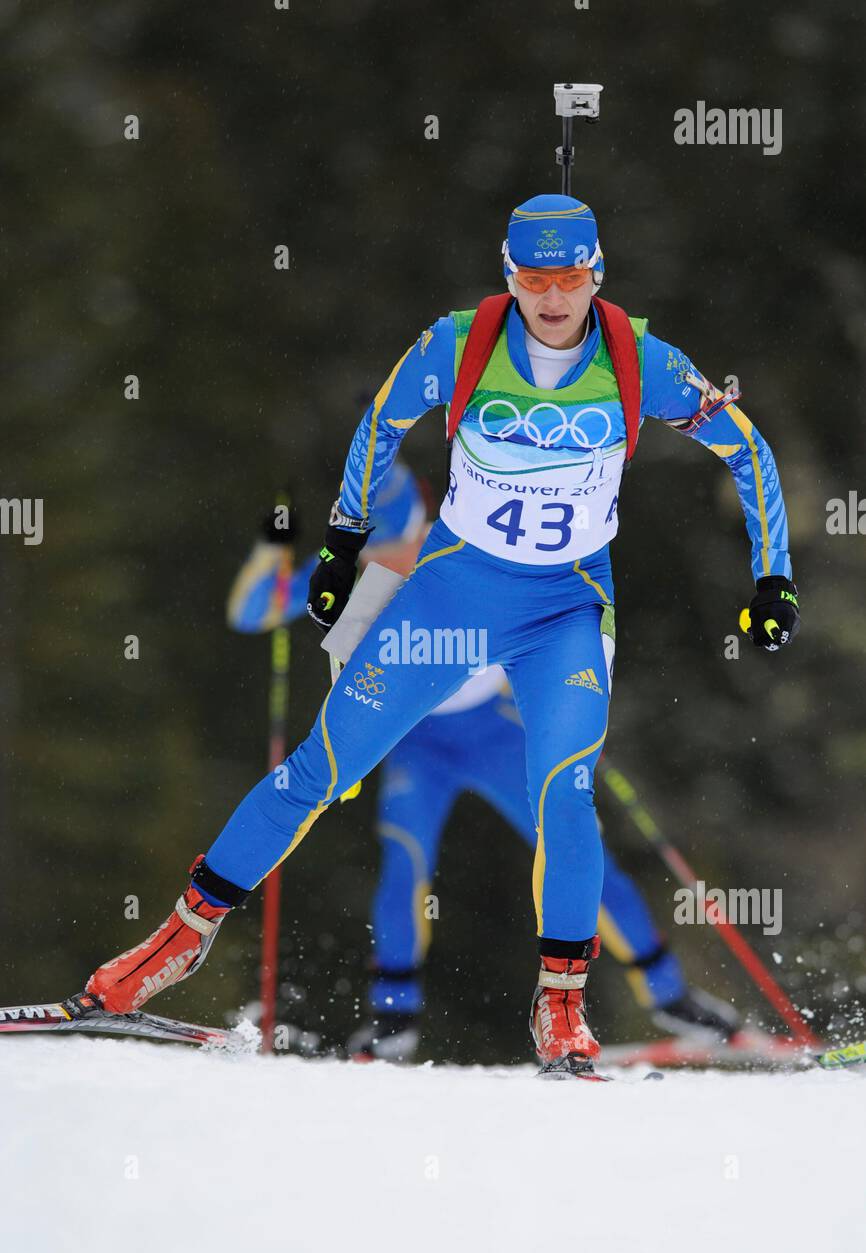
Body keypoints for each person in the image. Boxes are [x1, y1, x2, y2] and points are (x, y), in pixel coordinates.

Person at [80, 193, 800, 1078]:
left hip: (564, 611)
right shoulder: (459, 345)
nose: (551, 297)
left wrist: (773, 577)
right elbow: (383, 419)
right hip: (450, 600)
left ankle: (563, 1011)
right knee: (317, 770)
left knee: (565, 793)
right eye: (534, 278)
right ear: (509, 274)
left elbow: (748, 450)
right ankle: (169, 950)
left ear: (596, 275)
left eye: (569, 277)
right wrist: (344, 542)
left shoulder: (640, 362)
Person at [228, 463, 743, 1061]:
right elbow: (251, 611)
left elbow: (414, 545)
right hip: (419, 741)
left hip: (497, 732)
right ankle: (395, 1018)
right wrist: (273, 554)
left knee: (573, 844)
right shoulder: (357, 555)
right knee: (405, 861)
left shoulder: (439, 535)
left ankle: (669, 996)